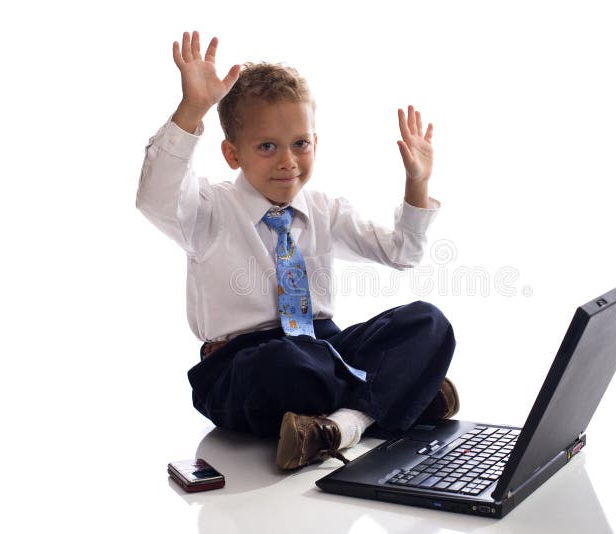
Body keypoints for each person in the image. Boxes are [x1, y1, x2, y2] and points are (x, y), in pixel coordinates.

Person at [136, 31, 458, 470]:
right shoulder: (209, 210)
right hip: (243, 362)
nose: (287, 161)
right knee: (284, 364)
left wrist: (417, 183)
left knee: (428, 322)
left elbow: (402, 253)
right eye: (267, 147)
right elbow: (155, 197)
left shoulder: (325, 210)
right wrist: (193, 109)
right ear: (232, 153)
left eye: (299, 144)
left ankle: (339, 426)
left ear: (315, 143)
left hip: (324, 346)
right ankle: (400, 393)